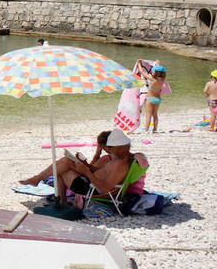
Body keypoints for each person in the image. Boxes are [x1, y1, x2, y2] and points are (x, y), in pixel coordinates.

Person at [20, 129, 148, 207]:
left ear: (120, 147)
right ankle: (37, 180)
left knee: (62, 167)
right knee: (65, 162)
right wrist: (85, 166)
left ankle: (43, 185)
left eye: (110, 148)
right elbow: (100, 172)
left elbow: (104, 189)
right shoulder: (121, 159)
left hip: (91, 189)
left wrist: (85, 171)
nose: (108, 150)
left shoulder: (119, 165)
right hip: (90, 181)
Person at [141, 64, 166, 133]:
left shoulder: (152, 79)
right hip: (158, 99)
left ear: (154, 73)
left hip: (150, 99)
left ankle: (146, 130)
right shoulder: (163, 79)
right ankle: (155, 130)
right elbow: (160, 69)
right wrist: (158, 64)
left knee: (148, 116)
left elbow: (142, 72)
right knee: (155, 115)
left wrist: (139, 64)